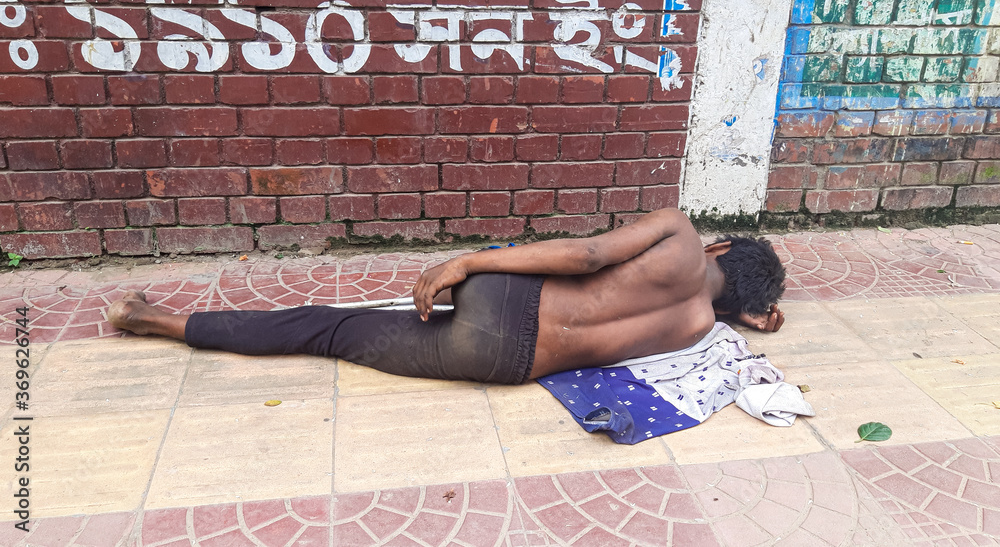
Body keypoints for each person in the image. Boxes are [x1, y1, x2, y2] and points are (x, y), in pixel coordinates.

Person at [108, 208, 786, 384]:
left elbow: (586, 256)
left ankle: (148, 312)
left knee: (325, 319)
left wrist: (467, 260)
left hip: (505, 298)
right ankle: (151, 322)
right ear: (747, 312)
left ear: (721, 249)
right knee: (332, 335)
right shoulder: (702, 332)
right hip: (503, 360)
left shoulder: (681, 234)